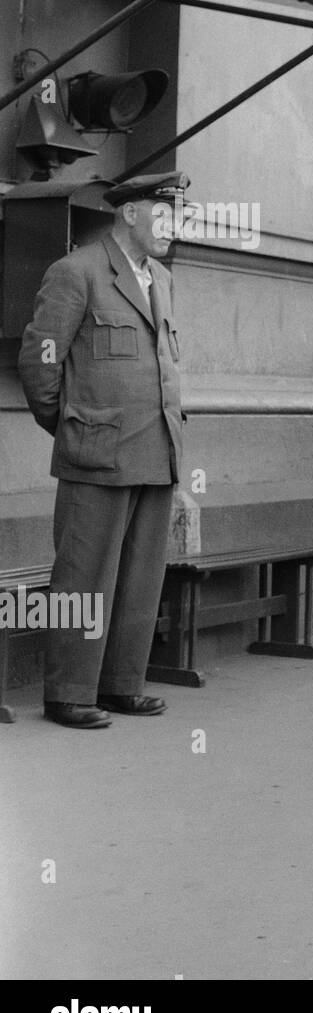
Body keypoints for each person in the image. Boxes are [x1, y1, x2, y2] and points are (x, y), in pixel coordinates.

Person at [17, 172, 189, 729]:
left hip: (156, 450)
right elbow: (40, 360)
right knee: (83, 576)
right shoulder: (77, 271)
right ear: (131, 214)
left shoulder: (159, 278)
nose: (173, 227)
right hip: (96, 454)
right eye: (164, 216)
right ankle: (68, 693)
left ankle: (120, 685)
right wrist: (72, 428)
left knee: (141, 577)